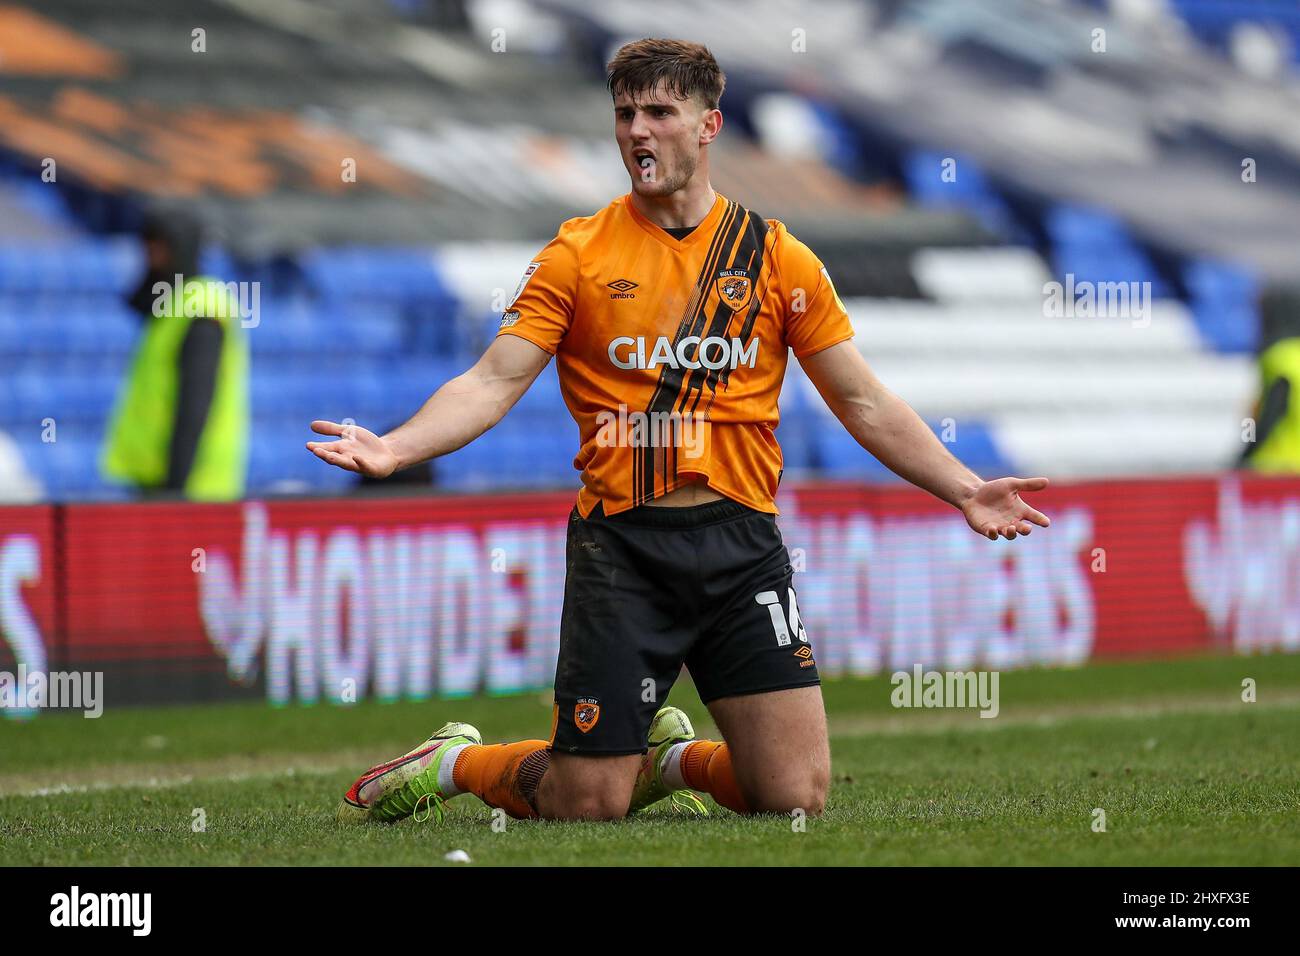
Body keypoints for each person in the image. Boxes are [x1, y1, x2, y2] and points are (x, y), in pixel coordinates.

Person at [308, 39, 1050, 824]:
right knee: (587, 804)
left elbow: (862, 401)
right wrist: (395, 446)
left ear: (708, 126)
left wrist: (965, 488)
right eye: (625, 114)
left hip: (741, 546)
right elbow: (493, 379)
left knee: (792, 796)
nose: (637, 131)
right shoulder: (579, 253)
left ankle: (668, 760)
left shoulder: (776, 257)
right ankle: (456, 763)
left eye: (660, 112)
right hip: (624, 548)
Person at [101, 211, 249, 501]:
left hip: (193, 487)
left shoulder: (202, 311)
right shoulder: (172, 306)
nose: (151, 259)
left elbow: (194, 406)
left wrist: (175, 491)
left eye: (158, 248)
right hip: (158, 479)